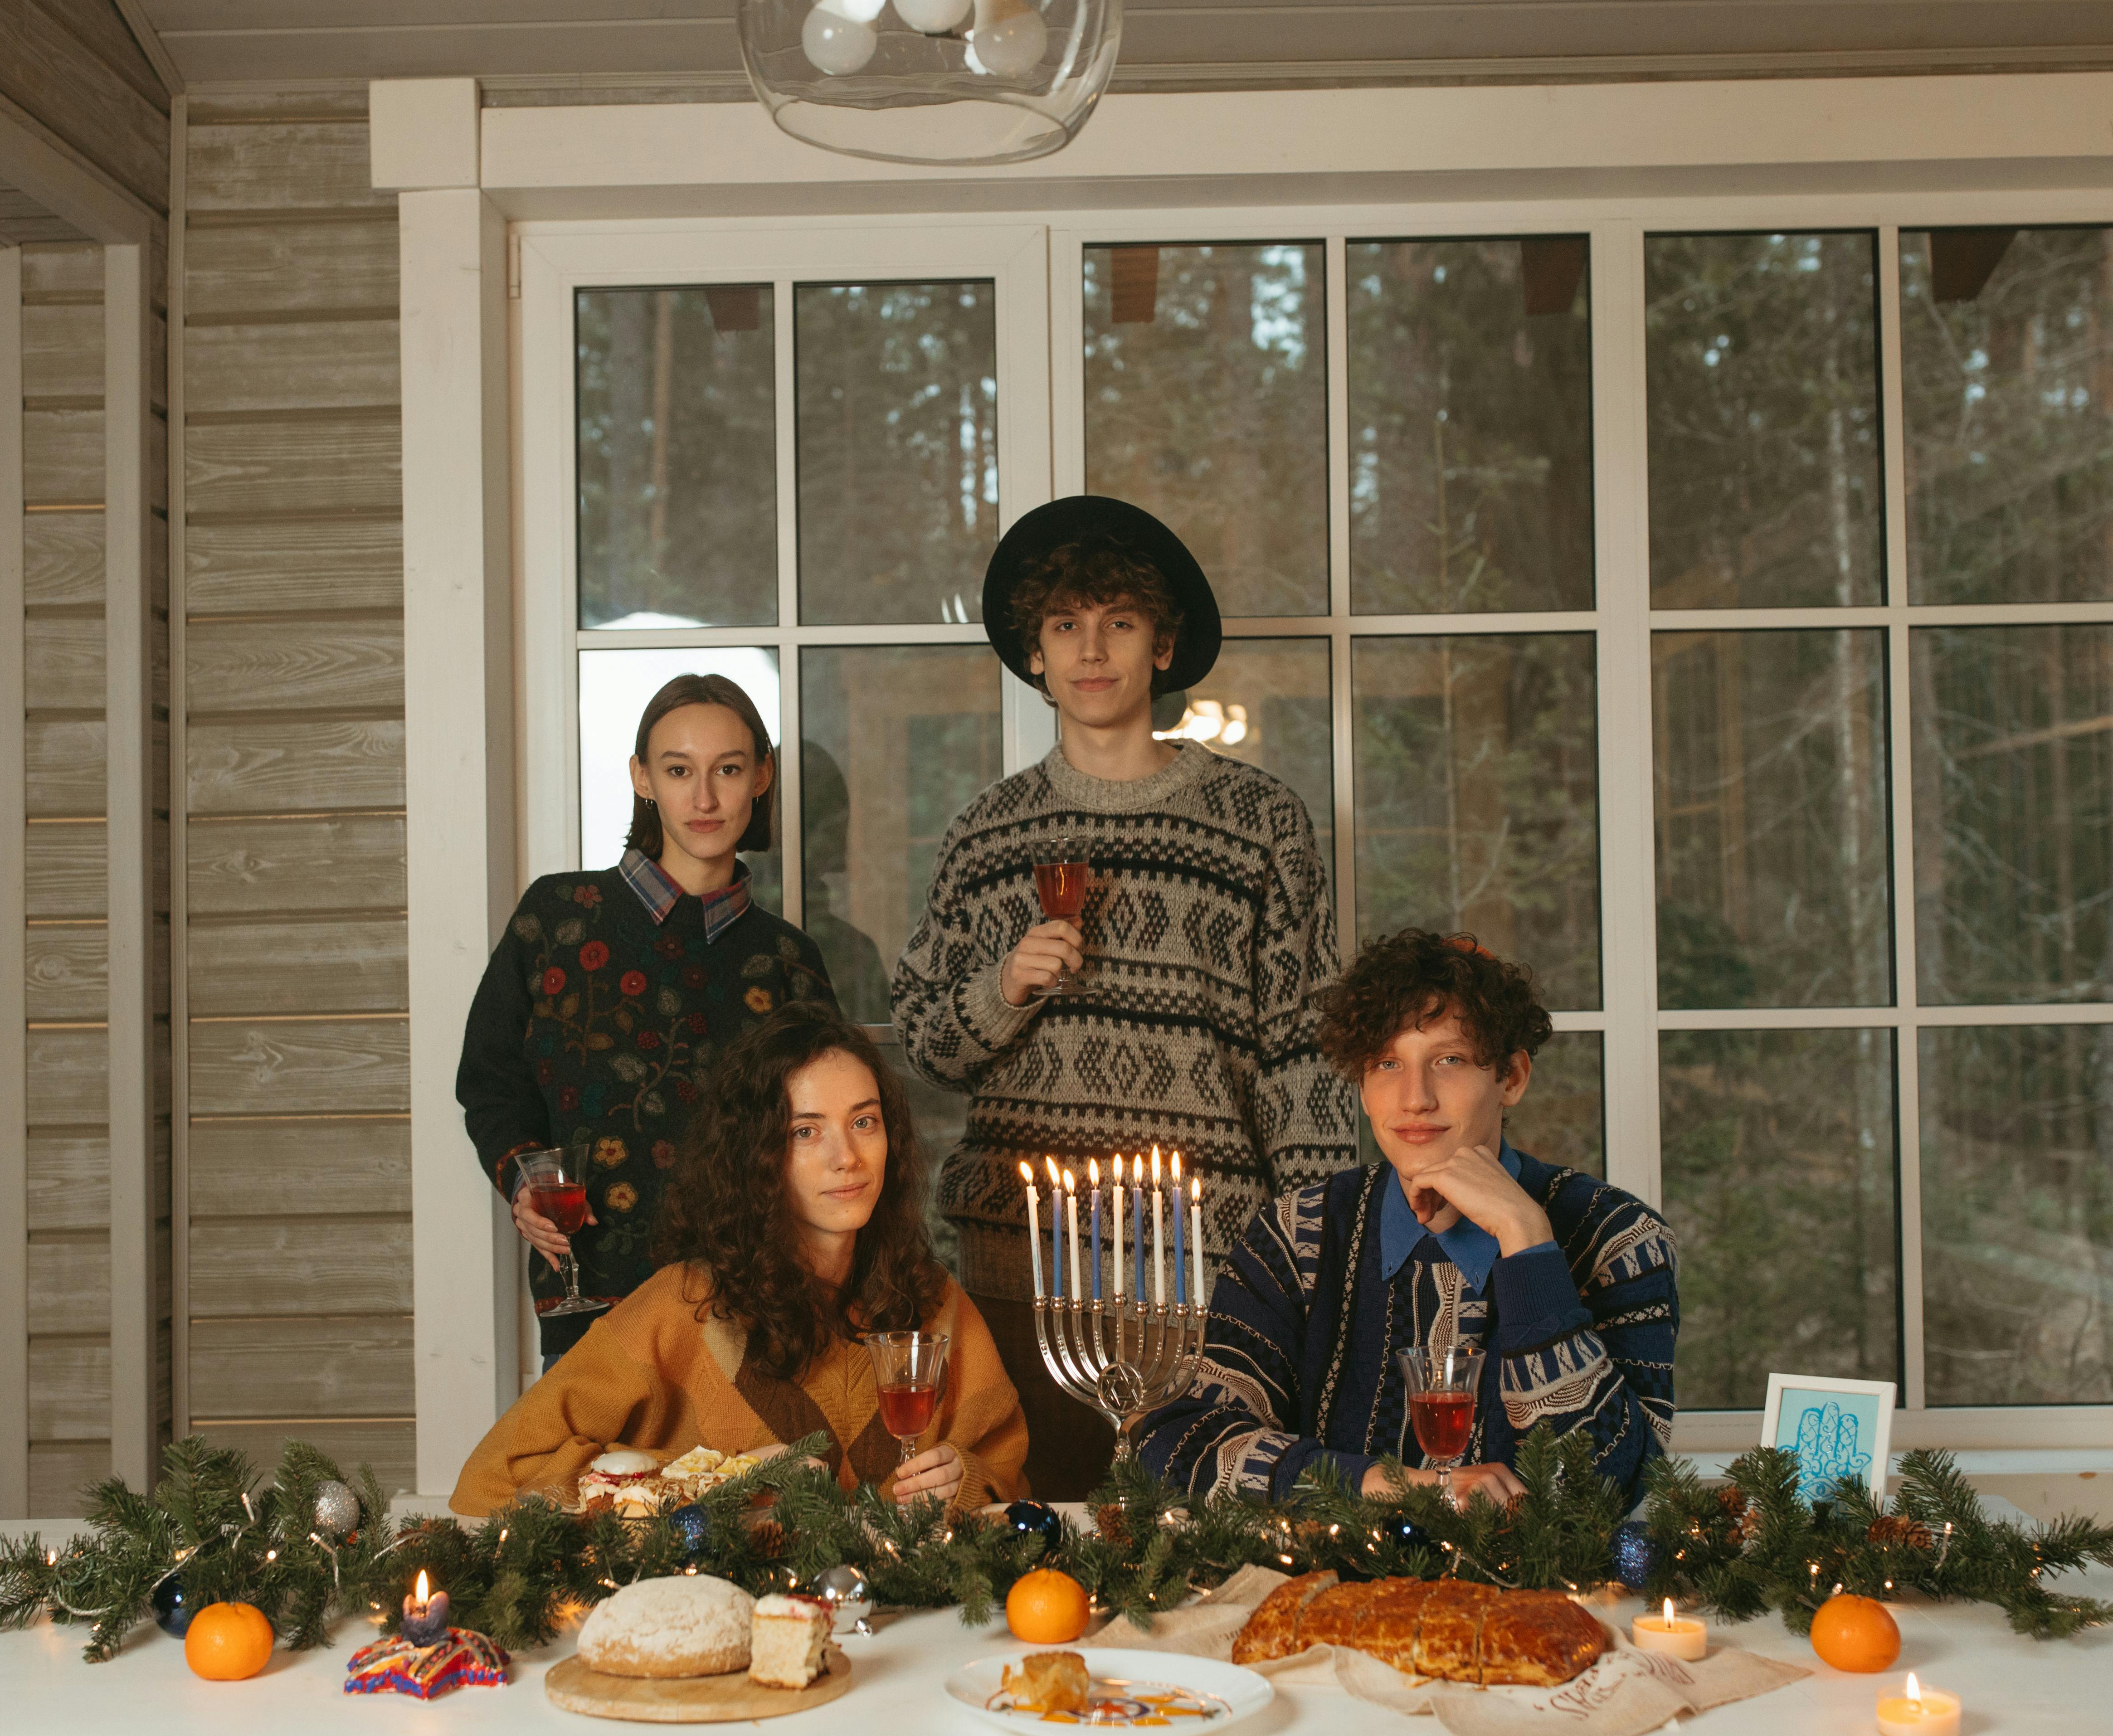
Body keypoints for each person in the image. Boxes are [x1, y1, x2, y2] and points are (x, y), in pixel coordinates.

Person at [892, 495, 1356, 1499]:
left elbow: (1302, 1051)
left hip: (1206, 1268)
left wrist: (1314, 1263)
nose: (1090, 649)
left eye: (1119, 623)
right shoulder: (988, 833)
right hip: (1021, 1270)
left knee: (1204, 1563)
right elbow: (924, 1043)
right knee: (1029, 1556)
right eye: (1065, 626)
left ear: (1163, 645)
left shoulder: (1259, 821)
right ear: (1036, 654)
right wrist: (1001, 989)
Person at [1136, 929, 1676, 1503]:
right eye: (1387, 1064)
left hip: (1532, 1593)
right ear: (1363, 1090)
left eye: (1449, 1059)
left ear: (1511, 1078)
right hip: (1330, 1589)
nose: (1415, 1097)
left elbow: (1604, 1489)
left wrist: (1529, 1246)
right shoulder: (1298, 1235)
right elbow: (1179, 1443)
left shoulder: (1618, 1236)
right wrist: (1390, 1486)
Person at [449, 1000, 1028, 1515]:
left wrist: (968, 1481)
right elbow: (496, 1476)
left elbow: (1010, 1477)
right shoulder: (686, 1307)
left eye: (863, 1122)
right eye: (805, 1132)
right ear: (758, 1155)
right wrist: (713, 1483)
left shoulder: (935, 1303)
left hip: (910, 1626)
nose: (846, 1156)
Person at [457, 673, 833, 1360]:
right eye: (678, 770)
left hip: (753, 1313)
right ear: (641, 778)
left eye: (728, 769)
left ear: (761, 777)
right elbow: (490, 1080)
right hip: (590, 1306)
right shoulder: (556, 917)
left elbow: (824, 1136)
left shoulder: (789, 961)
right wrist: (522, 1179)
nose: (704, 798)